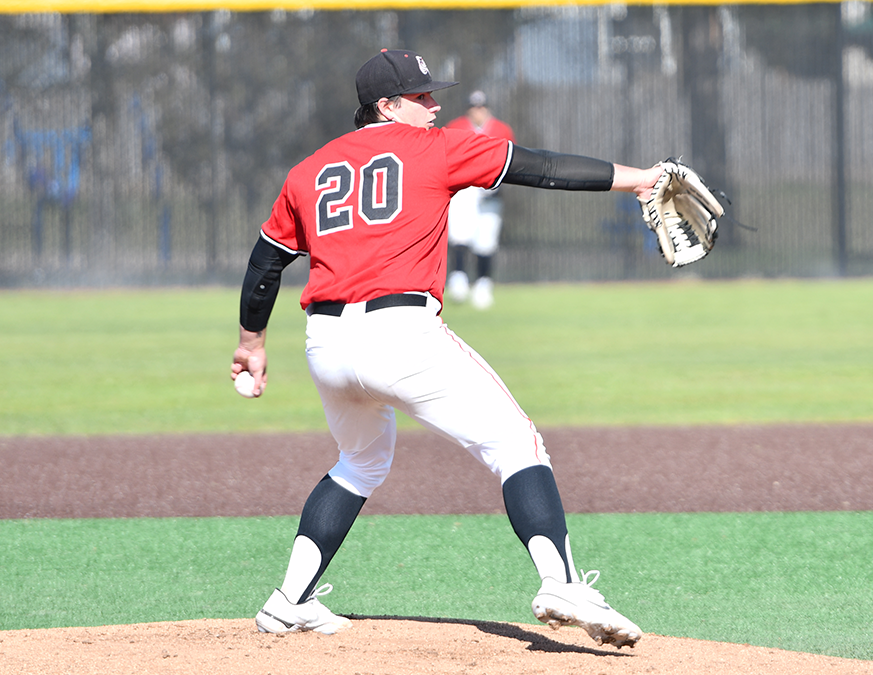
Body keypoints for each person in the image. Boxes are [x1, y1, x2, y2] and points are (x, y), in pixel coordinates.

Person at [230, 48, 663, 649]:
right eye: (422, 96)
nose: (436, 106)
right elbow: (539, 167)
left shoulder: (310, 169)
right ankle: (562, 584)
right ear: (385, 106)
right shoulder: (434, 148)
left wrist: (252, 341)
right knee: (516, 444)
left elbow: (265, 263)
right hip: (400, 333)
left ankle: (289, 600)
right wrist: (638, 178)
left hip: (325, 343)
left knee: (358, 464)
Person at [444, 89, 517, 310]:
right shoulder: (455, 126)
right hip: (464, 191)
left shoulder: (501, 129)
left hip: (490, 192)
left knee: (486, 241)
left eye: (481, 107)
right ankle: (458, 278)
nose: (477, 111)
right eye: (474, 107)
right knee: (459, 235)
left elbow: (510, 161)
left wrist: (496, 184)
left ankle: (483, 285)